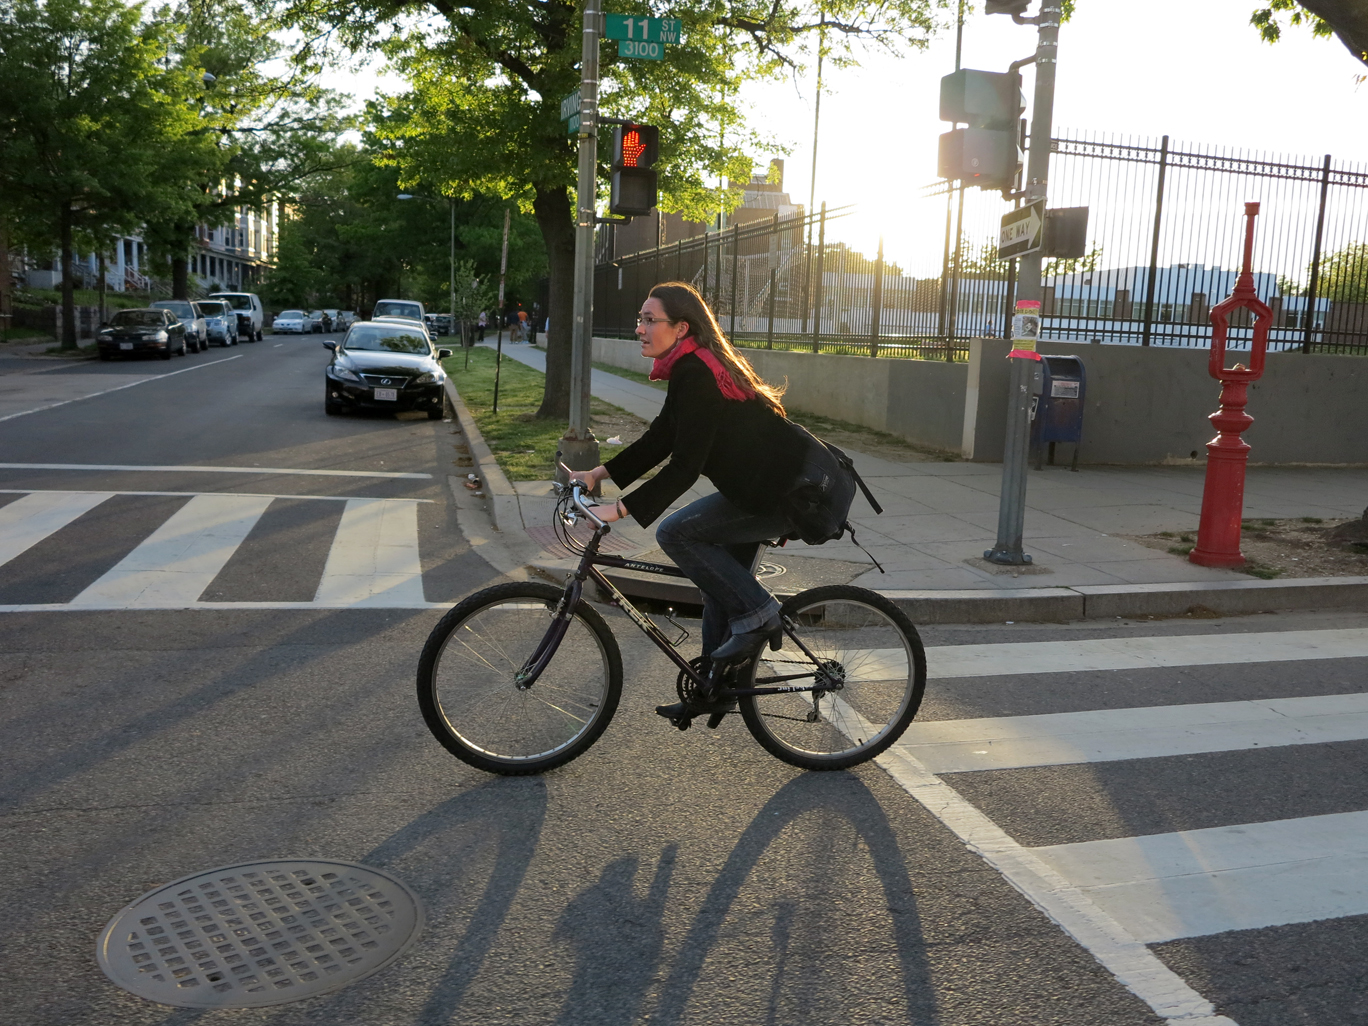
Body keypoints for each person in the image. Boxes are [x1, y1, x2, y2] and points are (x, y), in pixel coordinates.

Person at [562, 281, 811, 723]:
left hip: (776, 497)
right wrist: (597, 475)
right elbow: (661, 438)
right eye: (639, 319)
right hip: (756, 491)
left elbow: (685, 465)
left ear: (680, 328)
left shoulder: (699, 371)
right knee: (719, 585)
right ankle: (712, 690)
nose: (639, 327)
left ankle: (760, 612)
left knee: (675, 532)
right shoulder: (690, 367)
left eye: (648, 320)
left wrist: (619, 510)